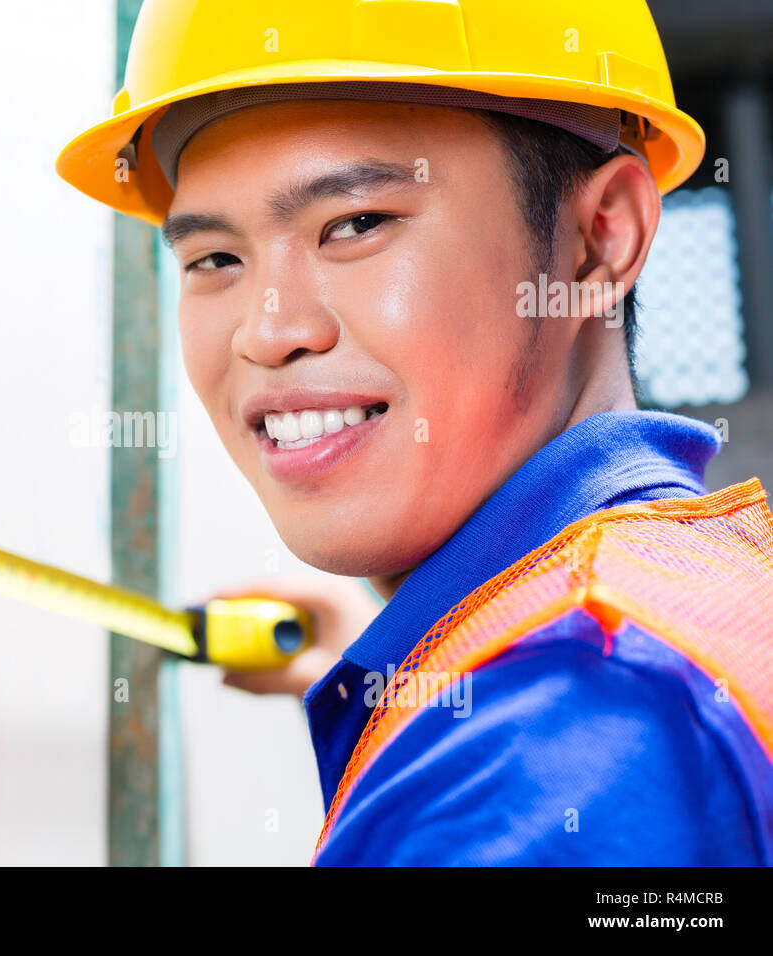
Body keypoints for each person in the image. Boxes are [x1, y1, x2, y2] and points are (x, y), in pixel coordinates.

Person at [55, 0, 772, 863]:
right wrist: (414, 683)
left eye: (356, 224)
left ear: (597, 242)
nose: (267, 330)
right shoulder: (677, 598)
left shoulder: (564, 728)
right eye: (215, 260)